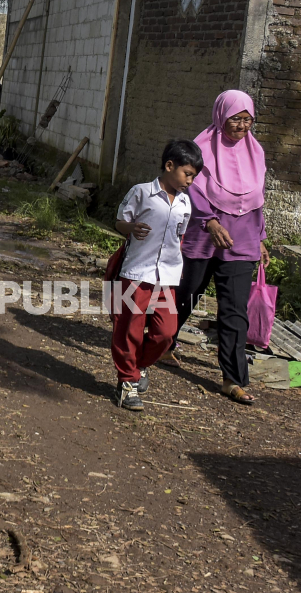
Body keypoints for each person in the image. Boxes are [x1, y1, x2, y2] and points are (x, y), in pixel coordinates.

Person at [172, 90, 270, 406]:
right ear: (220, 116)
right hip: (204, 235)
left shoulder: (256, 152)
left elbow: (257, 200)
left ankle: (234, 380)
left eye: (247, 120)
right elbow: (191, 190)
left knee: (233, 311)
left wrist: (261, 238)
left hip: (242, 241)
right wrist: (210, 222)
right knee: (186, 294)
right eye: (235, 120)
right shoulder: (201, 149)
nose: (241, 126)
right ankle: (159, 342)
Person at [111, 139, 203, 411]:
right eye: (187, 174)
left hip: (167, 278)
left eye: (194, 177)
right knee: (129, 328)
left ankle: (138, 366)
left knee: (166, 332)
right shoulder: (141, 193)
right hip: (136, 273)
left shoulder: (186, 203)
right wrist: (130, 228)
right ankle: (126, 383)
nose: (190, 181)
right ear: (169, 165)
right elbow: (119, 222)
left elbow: (179, 237)